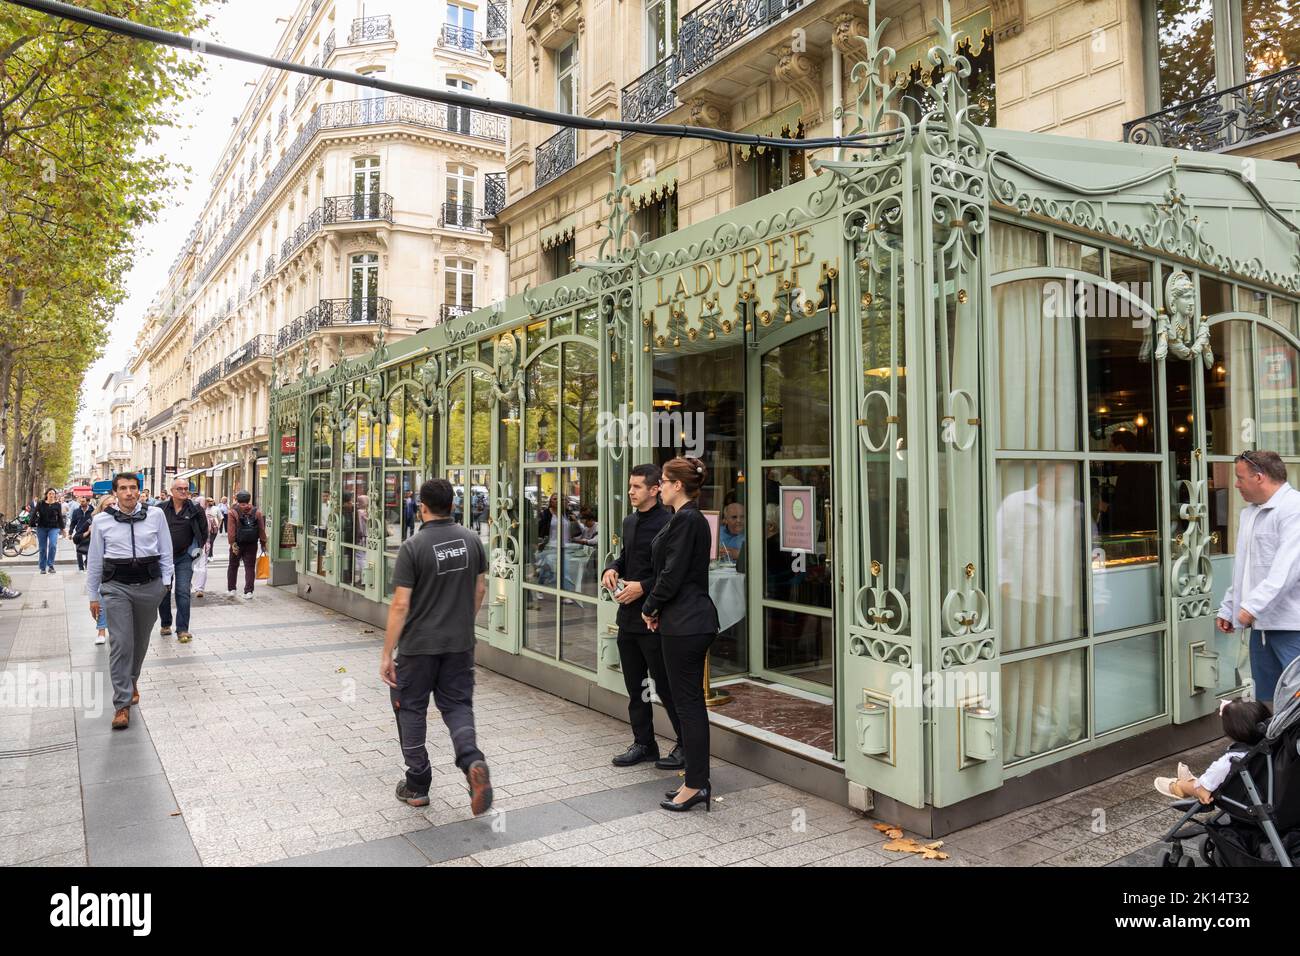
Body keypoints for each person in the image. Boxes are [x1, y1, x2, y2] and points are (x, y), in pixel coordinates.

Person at [380, 478, 493, 815]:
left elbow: (400, 605)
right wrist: (462, 622)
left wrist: (387, 653)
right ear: (454, 505)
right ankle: (472, 760)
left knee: (410, 707)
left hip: (418, 647)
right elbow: (481, 589)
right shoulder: (472, 540)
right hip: (459, 644)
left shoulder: (413, 547)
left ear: (422, 506)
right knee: (457, 705)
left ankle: (417, 782)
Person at [642, 456, 720, 812]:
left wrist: (649, 606)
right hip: (684, 620)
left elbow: (672, 575)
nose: (660, 486)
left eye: (664, 480)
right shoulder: (685, 518)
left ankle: (696, 784)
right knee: (688, 703)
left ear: (676, 485)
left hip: (688, 623)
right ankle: (695, 782)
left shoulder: (688, 519)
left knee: (688, 706)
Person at [601, 463, 683, 770]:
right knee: (635, 687)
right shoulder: (630, 521)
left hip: (657, 617)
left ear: (654, 489)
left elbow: (672, 572)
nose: (631, 492)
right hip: (628, 617)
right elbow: (626, 556)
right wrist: (611, 569)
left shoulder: (671, 522)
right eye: (630, 486)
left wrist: (643, 588)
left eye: (637, 487)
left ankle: (685, 746)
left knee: (666, 685)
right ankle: (644, 744)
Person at [86, 473, 173, 729]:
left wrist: (165, 583)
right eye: (123, 488)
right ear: (115, 493)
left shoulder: (155, 515)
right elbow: (94, 561)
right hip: (116, 587)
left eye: (133, 488)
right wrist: (93, 595)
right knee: (121, 643)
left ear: (139, 491)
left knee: (140, 642)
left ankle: (131, 679)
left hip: (149, 586)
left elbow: (166, 550)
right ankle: (122, 704)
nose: (129, 493)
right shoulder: (102, 521)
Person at [1216, 450, 1300, 710]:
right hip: (1261, 626)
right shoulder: (1249, 513)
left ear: (1260, 477)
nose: (1236, 484)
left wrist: (1249, 607)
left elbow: (1286, 570)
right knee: (1270, 700)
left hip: (1292, 626)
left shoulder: (1294, 509)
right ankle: (1282, 750)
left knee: (1296, 700)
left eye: (1240, 478)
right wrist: (1230, 606)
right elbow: (1244, 568)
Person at [1154, 699, 1271, 801]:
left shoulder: (1231, 760)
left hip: (1245, 799)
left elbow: (1204, 792)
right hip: (1269, 792)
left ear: (1231, 731)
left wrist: (1201, 788)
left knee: (1200, 788)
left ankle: (1180, 786)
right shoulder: (1274, 743)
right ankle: (1194, 781)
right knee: (1210, 781)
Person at [158, 478, 208, 644]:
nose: (184, 491)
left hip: (184, 557)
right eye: (179, 488)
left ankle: (182, 629)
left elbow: (203, 532)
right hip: (164, 558)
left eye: (186, 488)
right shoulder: (161, 509)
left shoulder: (195, 509)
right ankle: (166, 623)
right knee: (164, 591)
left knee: (183, 591)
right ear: (172, 491)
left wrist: (194, 553)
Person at [226, 490, 267, 599]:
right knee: (249, 567)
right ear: (249, 499)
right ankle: (248, 592)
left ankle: (232, 589)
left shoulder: (233, 512)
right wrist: (263, 543)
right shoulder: (256, 512)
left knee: (233, 566)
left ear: (237, 499)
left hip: (237, 544)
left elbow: (231, 530)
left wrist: (232, 543)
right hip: (252, 543)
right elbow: (262, 529)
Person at [90, 494, 117, 644]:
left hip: (117, 569)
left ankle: (115, 630)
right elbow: (78, 537)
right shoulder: (97, 521)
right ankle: (101, 630)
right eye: (108, 505)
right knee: (101, 600)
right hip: (102, 567)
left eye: (114, 504)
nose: (112, 507)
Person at [30, 487, 63, 575]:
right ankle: (43, 567)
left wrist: (63, 529)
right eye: (50, 494)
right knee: (42, 548)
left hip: (54, 527)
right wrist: (30, 526)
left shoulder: (57, 505)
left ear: (55, 495)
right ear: (46, 495)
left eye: (53, 494)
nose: (52, 495)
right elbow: (34, 514)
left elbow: (60, 517)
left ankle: (51, 565)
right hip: (41, 528)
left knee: (52, 545)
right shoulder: (40, 503)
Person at [192, 496, 219, 599]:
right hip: (205, 544)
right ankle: (200, 588)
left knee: (193, 566)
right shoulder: (209, 516)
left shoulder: (192, 516)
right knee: (202, 566)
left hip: (193, 545)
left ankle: (193, 585)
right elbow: (215, 530)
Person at [69, 496, 94, 572]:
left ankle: (87, 564)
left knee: (88, 551)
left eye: (83, 501)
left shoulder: (93, 511)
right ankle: (80, 567)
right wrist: (70, 532)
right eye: (81, 501)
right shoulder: (76, 511)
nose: (81, 503)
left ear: (88, 502)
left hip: (90, 533)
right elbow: (73, 523)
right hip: (79, 533)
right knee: (79, 551)